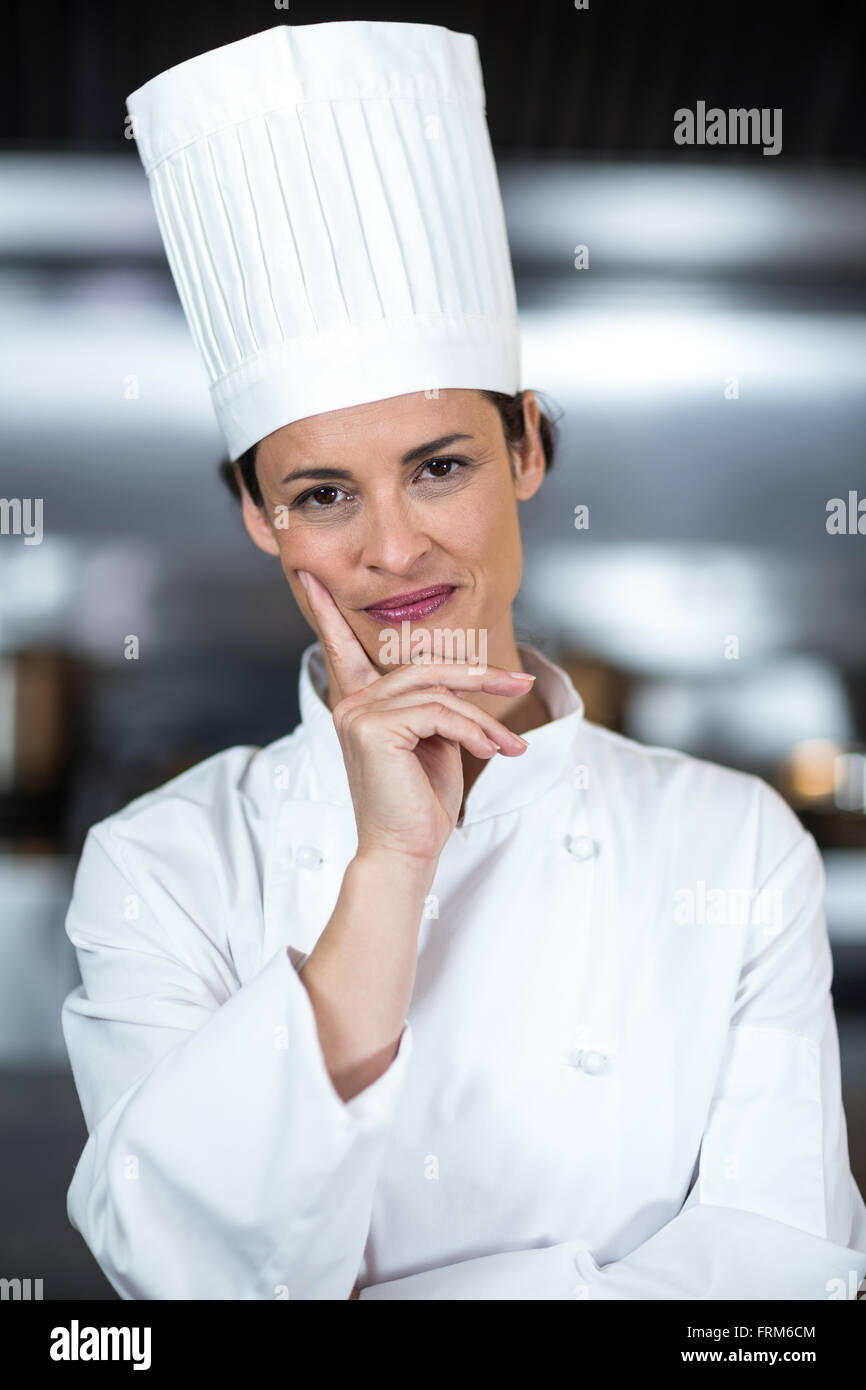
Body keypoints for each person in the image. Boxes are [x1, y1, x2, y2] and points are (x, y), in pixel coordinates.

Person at [62, 20, 866, 1300]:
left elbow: (778, 1289)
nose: (393, 547)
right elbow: (188, 1277)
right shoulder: (163, 864)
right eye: (322, 493)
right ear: (257, 519)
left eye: (440, 466)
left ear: (529, 448)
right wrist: (389, 865)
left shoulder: (727, 841)